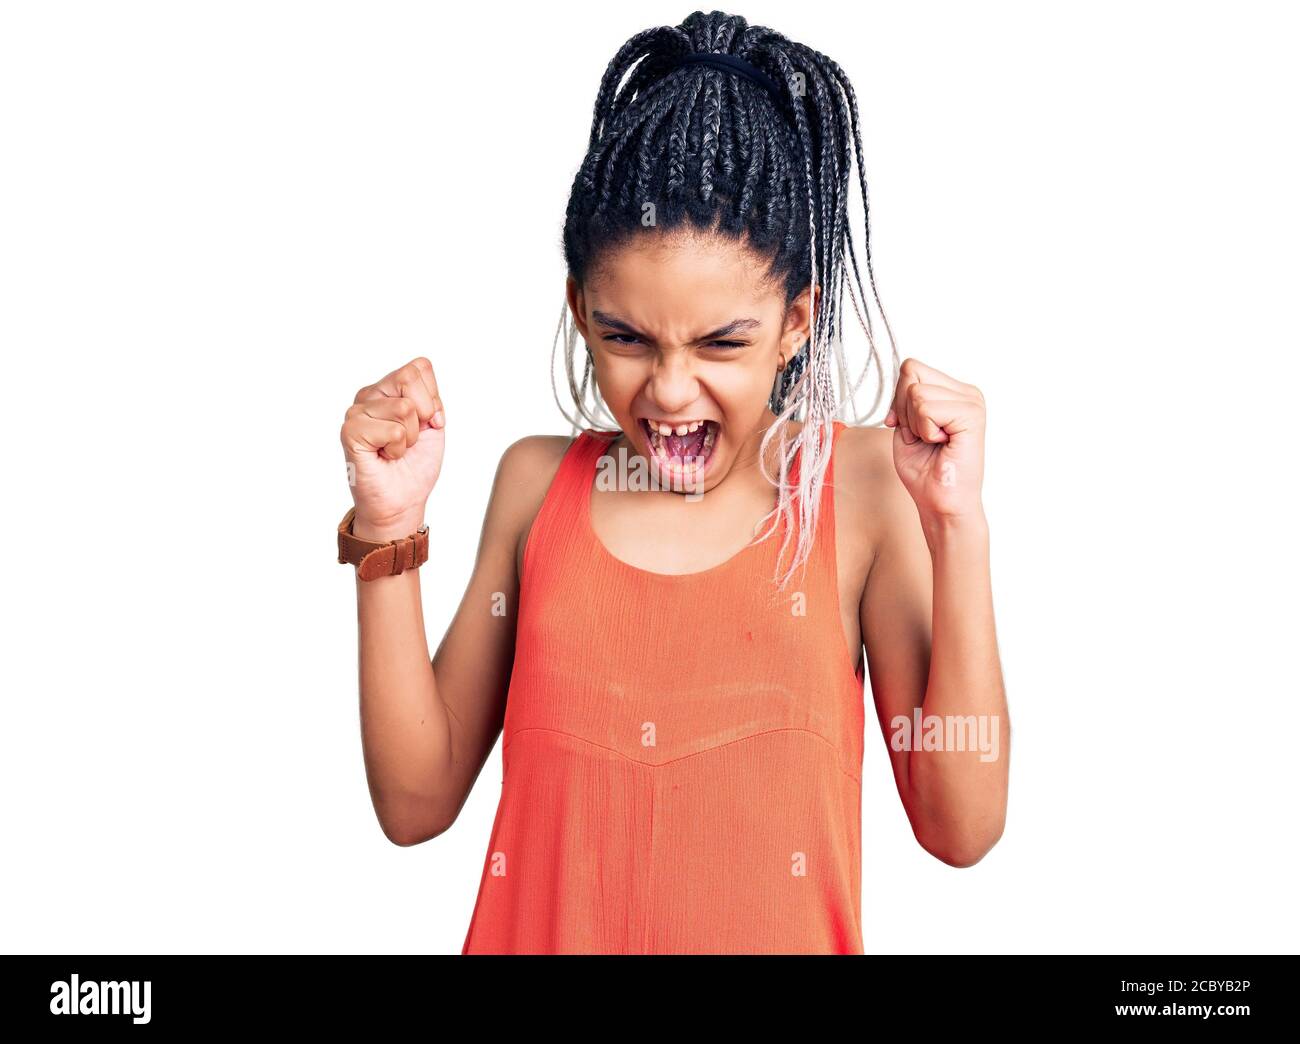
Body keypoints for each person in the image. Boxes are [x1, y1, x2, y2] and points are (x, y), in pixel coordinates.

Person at [337, 9, 1009, 955]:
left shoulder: (857, 489)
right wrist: (388, 526)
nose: (670, 390)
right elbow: (414, 802)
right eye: (626, 338)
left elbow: (961, 825)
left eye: (723, 342)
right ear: (580, 311)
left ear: (795, 321)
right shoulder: (536, 487)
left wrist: (958, 525)